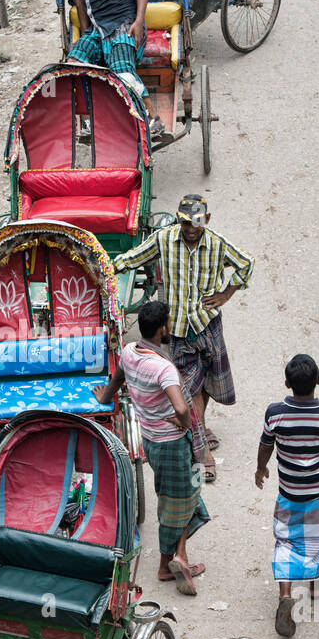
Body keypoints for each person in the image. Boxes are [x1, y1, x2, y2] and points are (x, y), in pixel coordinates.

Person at [114, 194, 254, 481]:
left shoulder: (217, 244)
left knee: (202, 383)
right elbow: (133, 257)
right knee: (186, 392)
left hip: (208, 325)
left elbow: (246, 264)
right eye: (185, 222)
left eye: (196, 223)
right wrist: (104, 265)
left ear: (207, 220)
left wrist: (226, 294)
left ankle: (198, 427)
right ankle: (202, 452)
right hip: (177, 331)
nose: (190, 228)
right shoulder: (164, 240)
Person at [93, 300, 209, 595]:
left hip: (151, 441)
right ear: (162, 329)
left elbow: (115, 383)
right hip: (172, 444)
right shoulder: (162, 368)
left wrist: (104, 397)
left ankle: (180, 557)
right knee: (176, 503)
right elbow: (181, 407)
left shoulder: (130, 352)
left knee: (186, 495)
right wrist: (183, 420)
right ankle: (165, 565)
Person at [255, 354, 319, 639]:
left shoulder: (275, 413)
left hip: (289, 491)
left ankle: (286, 596)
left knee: (286, 538)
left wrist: (261, 468)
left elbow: (265, 445)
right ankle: (315, 584)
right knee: (318, 537)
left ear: (287, 384)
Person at [61, 0, 166, 139]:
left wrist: (139, 22)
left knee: (123, 73)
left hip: (123, 24)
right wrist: (86, 30)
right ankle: (88, 121)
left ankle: (153, 118)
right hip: (97, 29)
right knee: (72, 65)